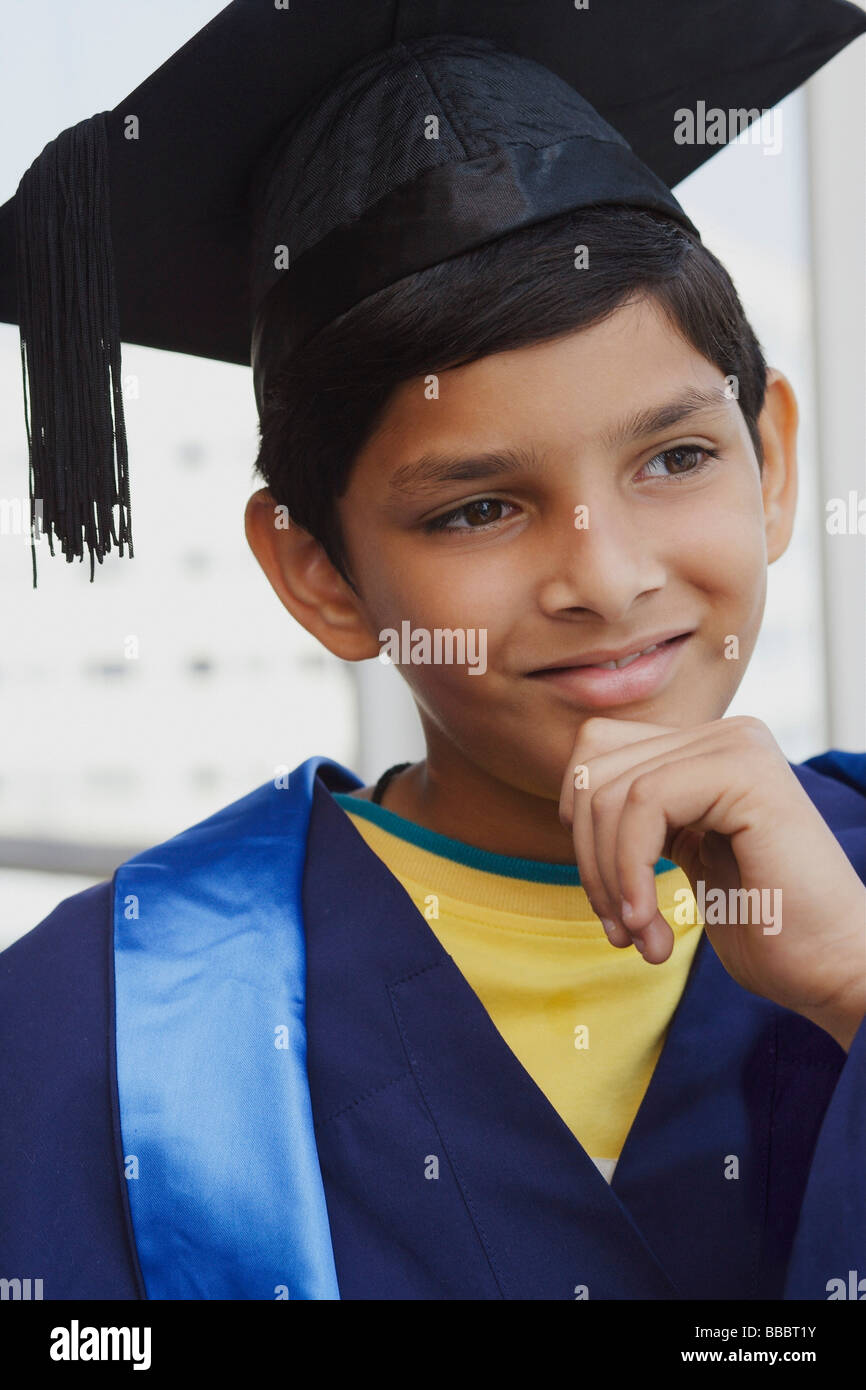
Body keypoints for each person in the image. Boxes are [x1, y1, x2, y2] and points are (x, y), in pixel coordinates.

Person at [1, 0, 864, 1301]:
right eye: (476, 507)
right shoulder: (102, 1024)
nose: (606, 573)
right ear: (319, 571)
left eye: (675, 456)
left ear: (774, 459)